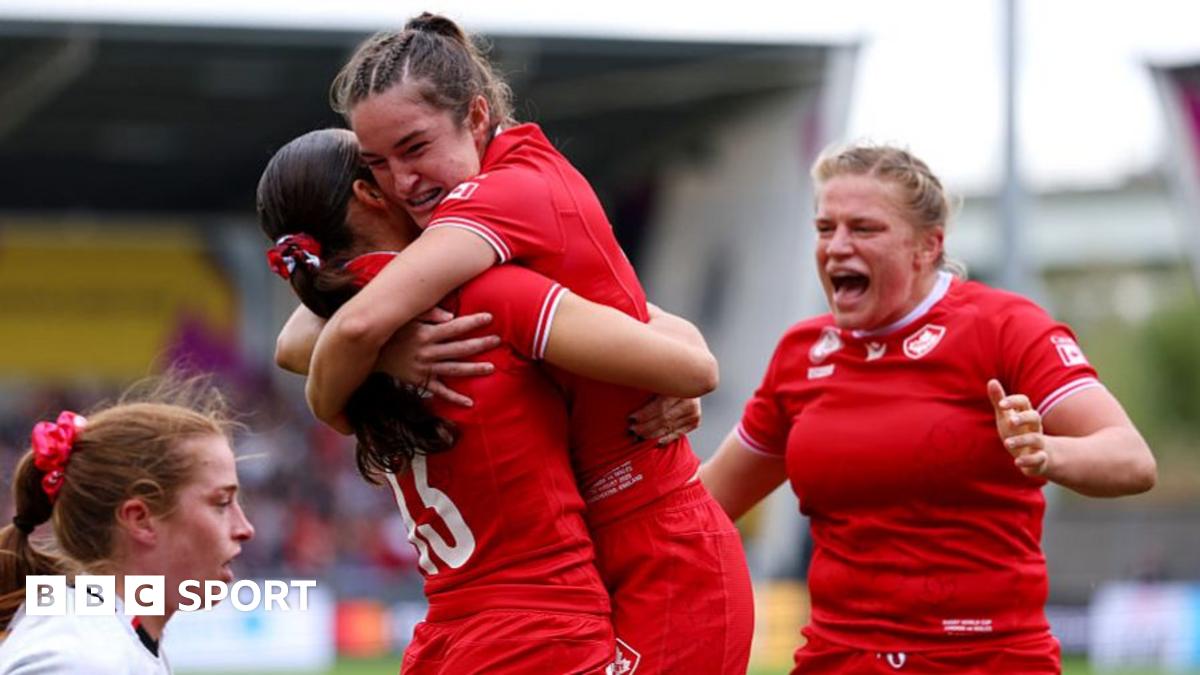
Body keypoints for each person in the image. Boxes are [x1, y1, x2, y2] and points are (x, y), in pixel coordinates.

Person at [286, 13, 755, 672]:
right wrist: (389, 345)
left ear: (476, 117)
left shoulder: (495, 200)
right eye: (378, 164)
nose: (402, 180)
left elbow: (344, 323)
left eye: (415, 147)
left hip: (657, 550)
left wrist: (376, 347)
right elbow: (313, 325)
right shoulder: (470, 228)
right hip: (593, 554)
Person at [700, 143, 1158, 674]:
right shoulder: (803, 354)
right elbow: (706, 506)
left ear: (927, 246)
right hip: (840, 659)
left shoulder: (1004, 327)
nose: (837, 246)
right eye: (826, 229)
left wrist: (1046, 452)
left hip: (983, 660)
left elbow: (1132, 460)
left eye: (864, 229)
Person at [0, 377, 254, 674]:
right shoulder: (80, 659)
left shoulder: (105, 638)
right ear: (140, 520)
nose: (245, 528)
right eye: (221, 503)